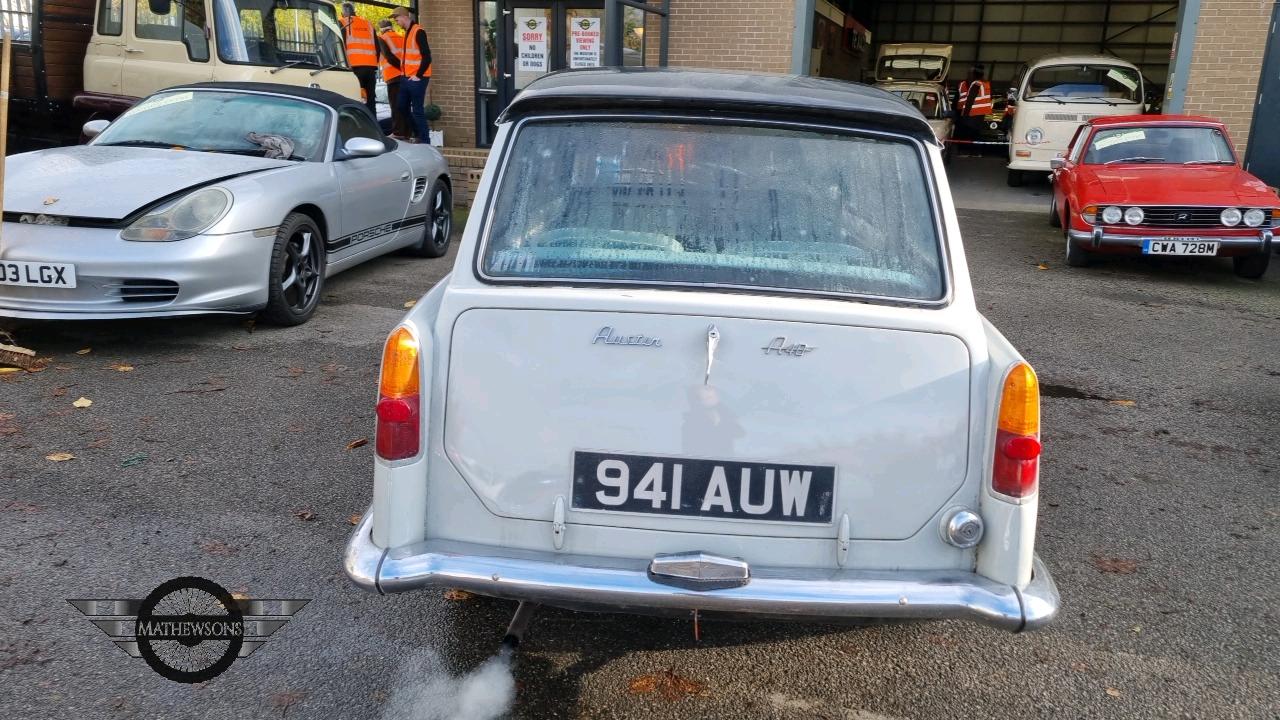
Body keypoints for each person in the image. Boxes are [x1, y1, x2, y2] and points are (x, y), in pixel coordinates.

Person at [390, 6, 433, 145]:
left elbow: (427, 57)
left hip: (416, 79)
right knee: (401, 106)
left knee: (418, 110)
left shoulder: (418, 31)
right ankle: (418, 134)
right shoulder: (407, 33)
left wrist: (418, 75)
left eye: (397, 19)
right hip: (406, 77)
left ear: (404, 17)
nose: (396, 22)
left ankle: (425, 141)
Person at [341, 2, 379, 117]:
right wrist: (374, 63)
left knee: (355, 100)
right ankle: (373, 130)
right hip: (370, 69)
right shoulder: (368, 24)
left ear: (343, 13)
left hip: (354, 69)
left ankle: (359, 128)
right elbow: (377, 47)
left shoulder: (343, 23)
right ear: (354, 11)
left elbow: (339, 46)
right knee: (371, 100)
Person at [376, 18, 410, 138]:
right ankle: (407, 132)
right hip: (406, 76)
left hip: (393, 76)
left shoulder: (382, 38)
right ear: (392, 27)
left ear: (381, 30)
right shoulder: (402, 37)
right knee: (405, 105)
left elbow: (389, 57)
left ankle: (398, 132)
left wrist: (400, 68)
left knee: (395, 106)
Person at [956, 65, 992, 156]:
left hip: (973, 114)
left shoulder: (976, 84)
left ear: (974, 74)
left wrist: (965, 115)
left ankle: (965, 151)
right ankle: (976, 152)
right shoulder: (985, 83)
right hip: (981, 114)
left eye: (971, 73)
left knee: (968, 133)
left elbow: (970, 100)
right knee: (977, 133)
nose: (969, 74)